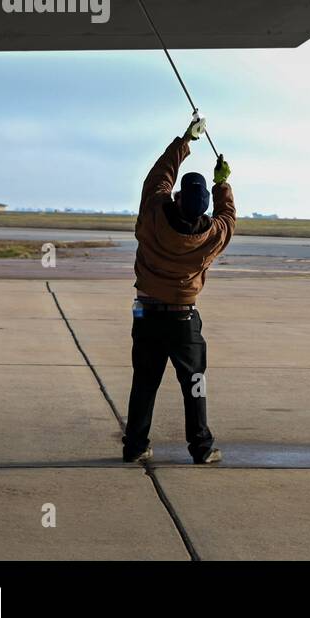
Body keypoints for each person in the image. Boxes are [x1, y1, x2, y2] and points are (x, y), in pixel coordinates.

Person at [122, 118, 234, 464]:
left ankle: (136, 446)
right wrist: (222, 184)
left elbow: (159, 176)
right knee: (195, 383)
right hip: (184, 319)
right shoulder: (212, 235)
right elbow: (228, 216)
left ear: (178, 196)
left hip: (146, 311)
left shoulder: (154, 212)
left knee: (144, 382)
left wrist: (186, 141)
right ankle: (201, 448)